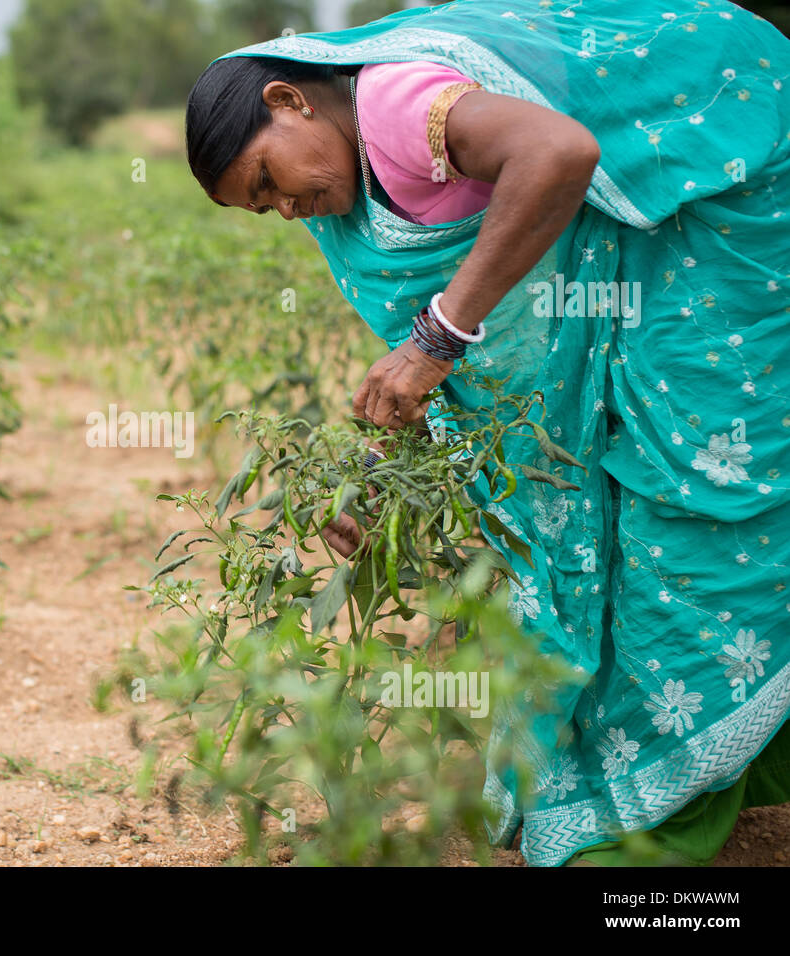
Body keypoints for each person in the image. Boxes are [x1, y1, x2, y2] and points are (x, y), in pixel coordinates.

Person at [184, 0, 790, 866]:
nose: (284, 209)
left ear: (289, 101)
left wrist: (438, 338)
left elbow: (561, 153)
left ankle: (655, 823)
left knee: (689, 502)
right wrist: (375, 477)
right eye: (262, 208)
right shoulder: (353, 194)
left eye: (267, 180)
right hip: (643, 270)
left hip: (726, 201)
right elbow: (429, 357)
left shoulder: (395, 104)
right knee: (606, 520)